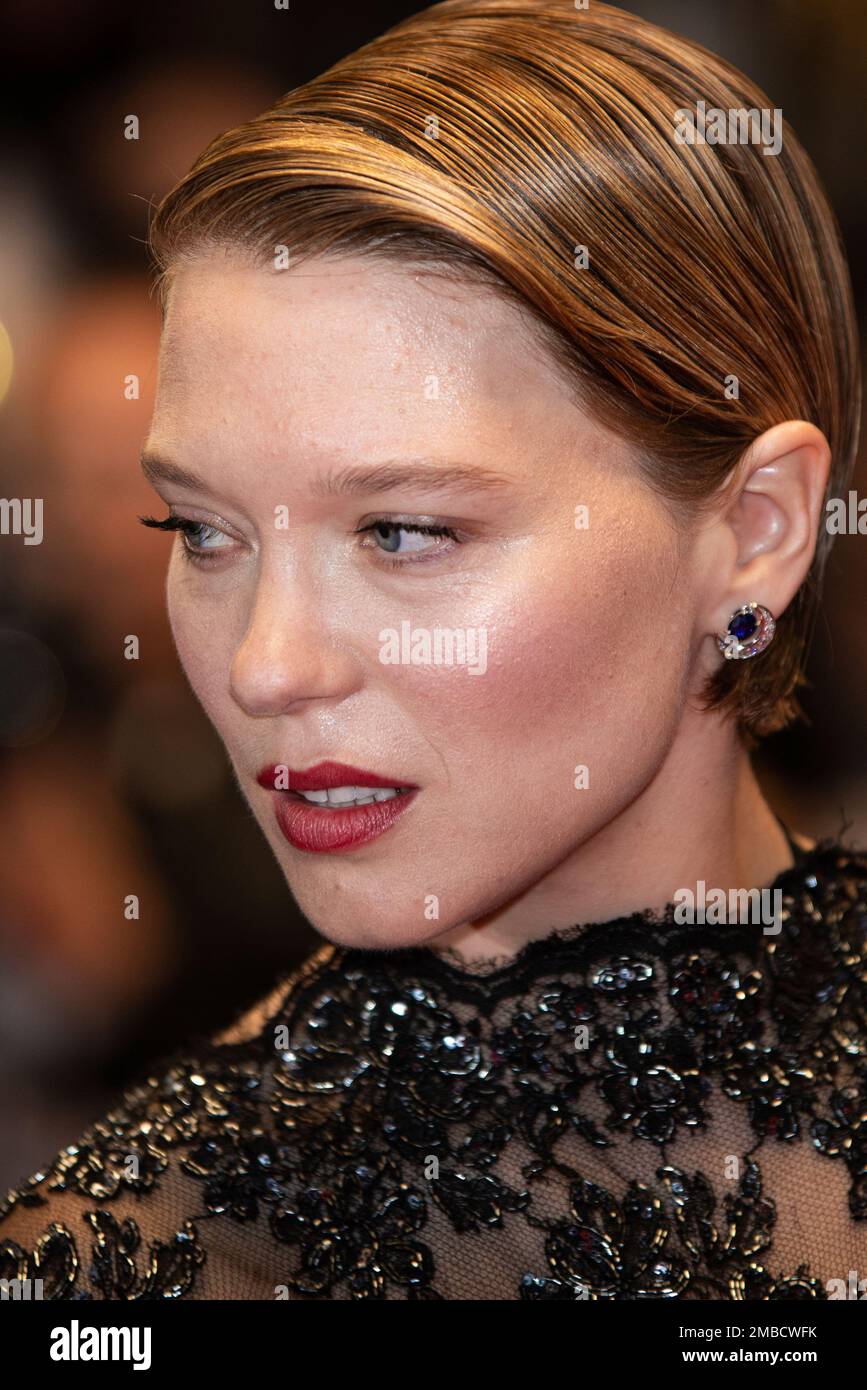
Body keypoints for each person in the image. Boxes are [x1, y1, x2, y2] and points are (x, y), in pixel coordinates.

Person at [2, 0, 865, 1300]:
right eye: (201, 530)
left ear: (753, 533)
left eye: (403, 531)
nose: (265, 666)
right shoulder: (126, 1269)